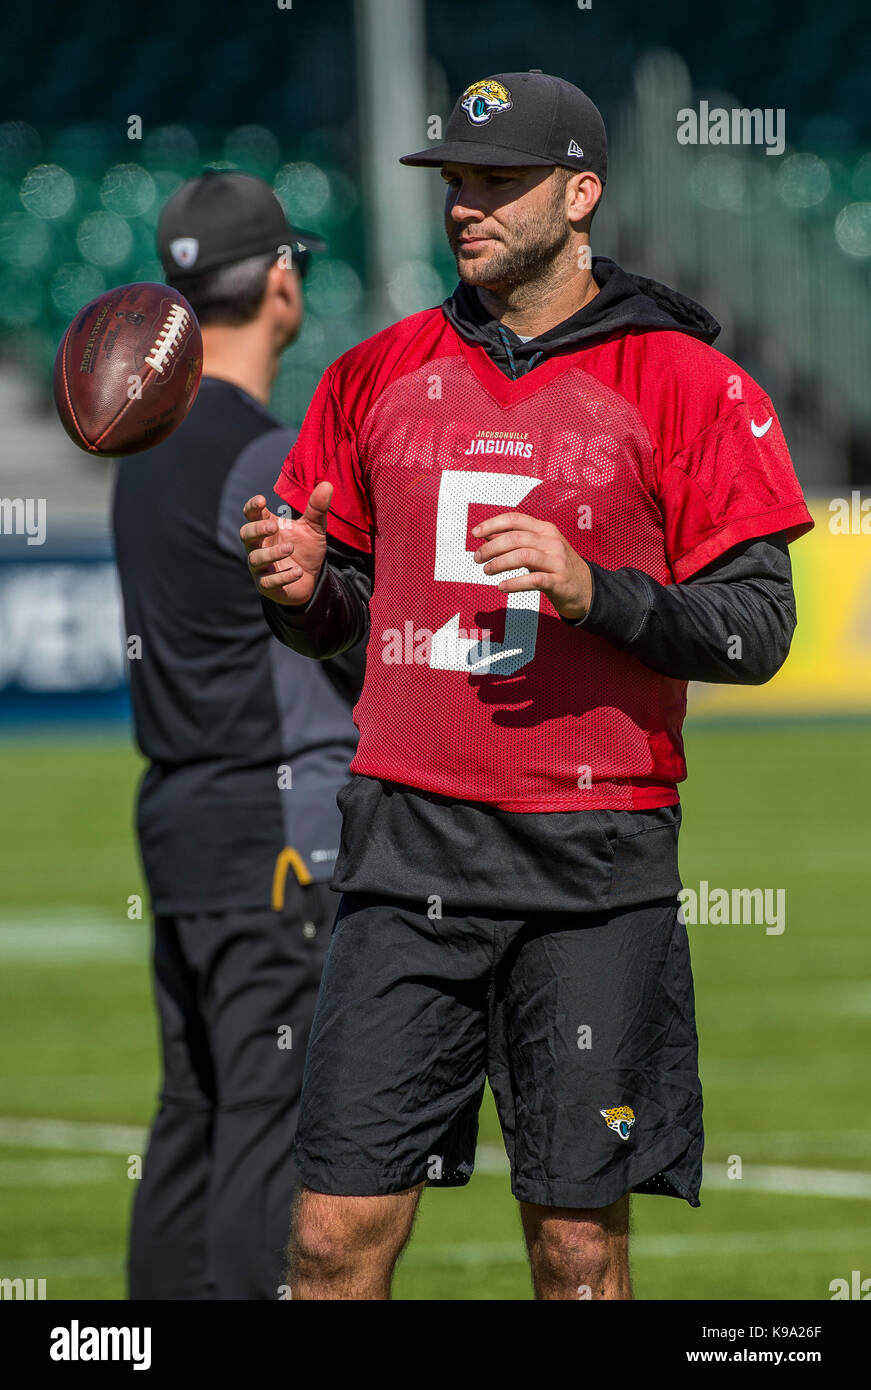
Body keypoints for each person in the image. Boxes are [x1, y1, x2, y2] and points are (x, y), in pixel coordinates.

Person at [241, 72, 814, 1300]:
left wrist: (594, 590)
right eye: (454, 182)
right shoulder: (371, 372)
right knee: (332, 1238)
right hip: (404, 852)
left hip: (591, 868)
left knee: (575, 1250)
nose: (465, 207)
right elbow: (341, 617)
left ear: (581, 192)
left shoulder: (688, 384)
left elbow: (758, 630)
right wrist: (301, 595)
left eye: (496, 182)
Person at [112, 170, 365, 1300]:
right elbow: (345, 636)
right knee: (265, 1125)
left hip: (179, 819)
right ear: (278, 279)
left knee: (193, 1111)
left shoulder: (144, 443)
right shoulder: (268, 457)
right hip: (271, 825)